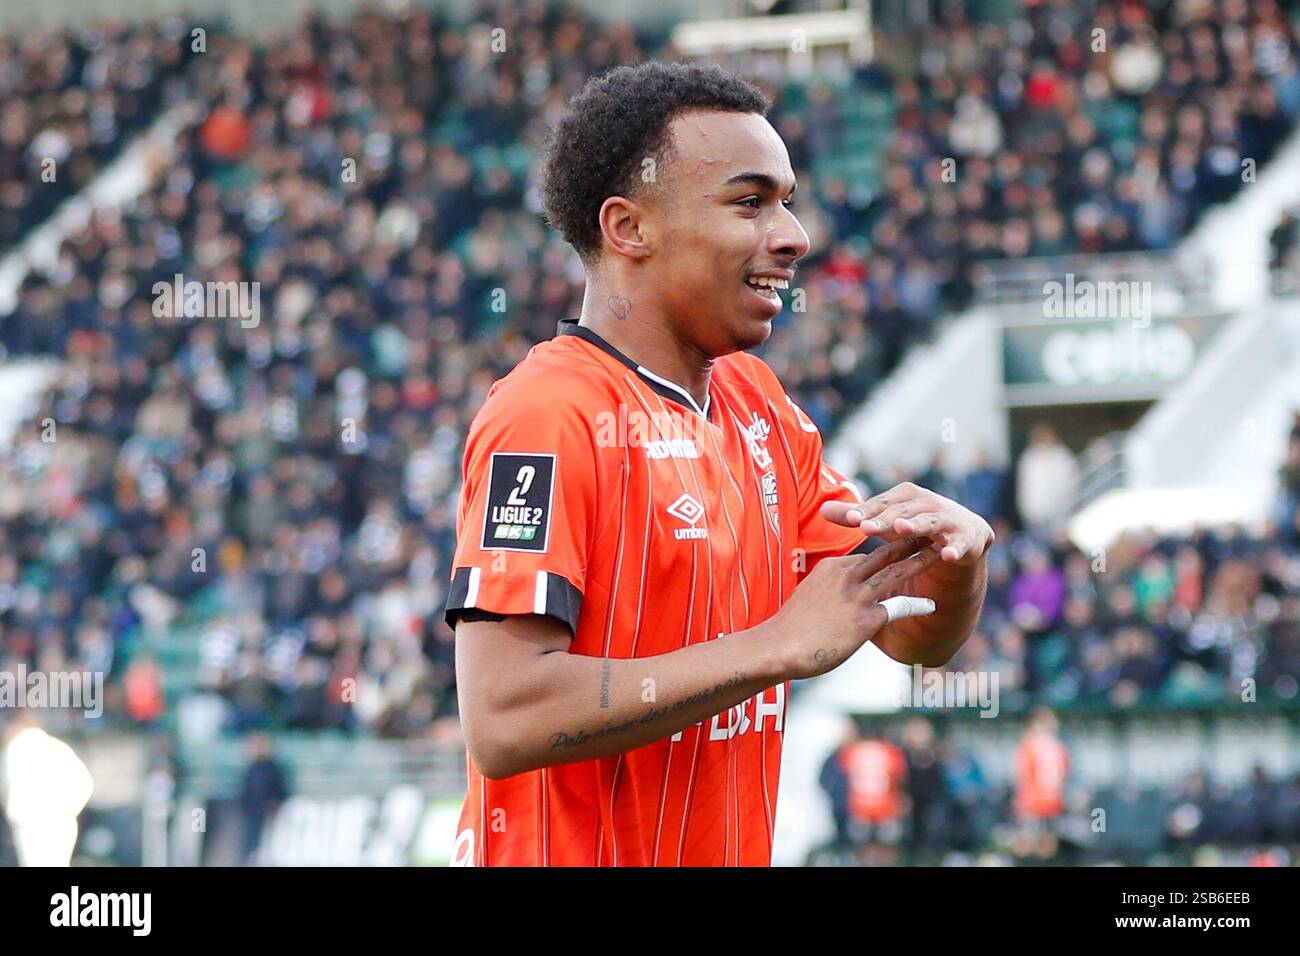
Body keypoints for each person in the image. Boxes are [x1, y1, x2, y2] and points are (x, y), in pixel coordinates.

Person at [443, 61, 994, 866]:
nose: (795, 236)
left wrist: (955, 568)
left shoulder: (758, 404)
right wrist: (774, 647)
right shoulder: (548, 414)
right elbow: (502, 717)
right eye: (750, 202)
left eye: (788, 201)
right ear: (630, 228)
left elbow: (910, 634)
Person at [1, 712, 94, 866]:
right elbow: (86, 784)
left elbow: (12, 795)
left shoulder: (17, 747)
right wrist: (67, 811)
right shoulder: (57, 746)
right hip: (62, 822)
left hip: (33, 823)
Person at [237, 732, 289, 865]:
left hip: (267, 813)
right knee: (251, 844)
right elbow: (246, 792)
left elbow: (280, 791)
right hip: (252, 813)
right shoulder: (252, 768)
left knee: (268, 844)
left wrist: (274, 805)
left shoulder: (272, 768)